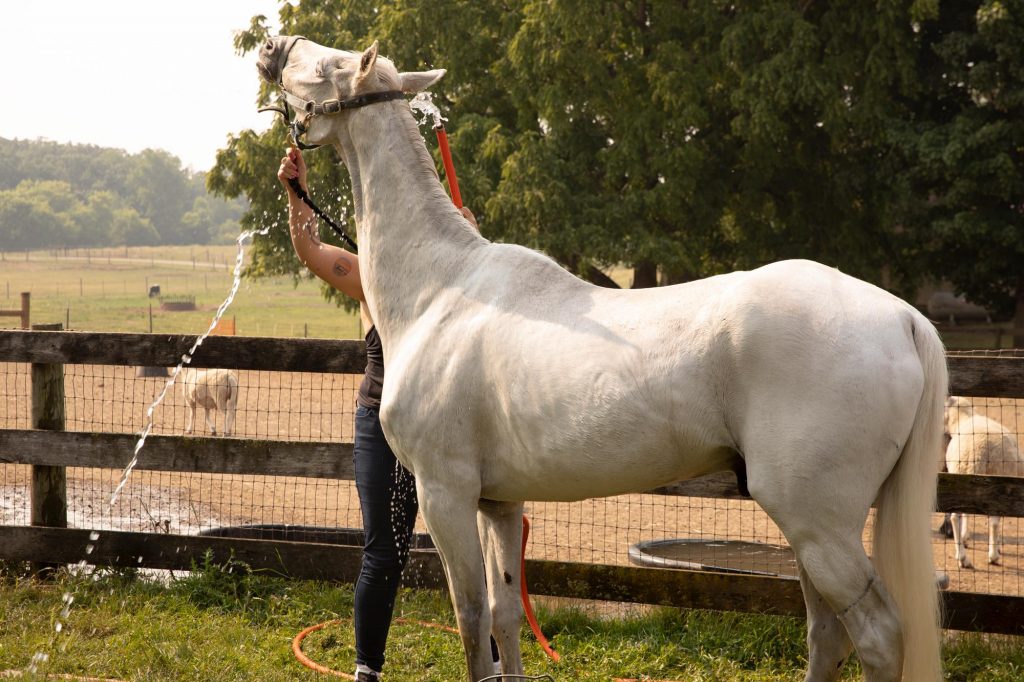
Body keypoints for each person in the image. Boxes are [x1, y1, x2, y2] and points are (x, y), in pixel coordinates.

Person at [277, 147, 491, 681]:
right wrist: (294, 191)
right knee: (385, 554)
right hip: (381, 424)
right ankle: (367, 670)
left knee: (469, 554)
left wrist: (472, 243)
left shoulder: (458, 279)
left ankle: (490, 664)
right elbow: (308, 249)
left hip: (447, 429)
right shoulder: (374, 276)